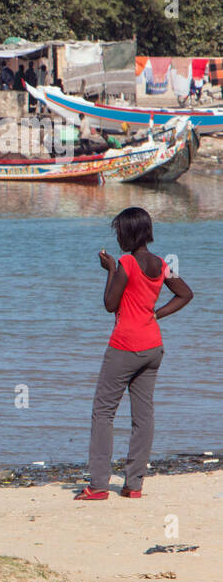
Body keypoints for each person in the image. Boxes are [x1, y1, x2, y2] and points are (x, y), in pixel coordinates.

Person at [78, 208, 194, 500]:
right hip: (153, 347)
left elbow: (109, 304)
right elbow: (185, 294)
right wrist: (156, 314)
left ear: (128, 233)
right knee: (143, 415)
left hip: (125, 346)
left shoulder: (127, 263)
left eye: (118, 231)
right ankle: (134, 485)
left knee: (103, 412)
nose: (117, 236)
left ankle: (99, 485)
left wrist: (112, 270)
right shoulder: (160, 263)